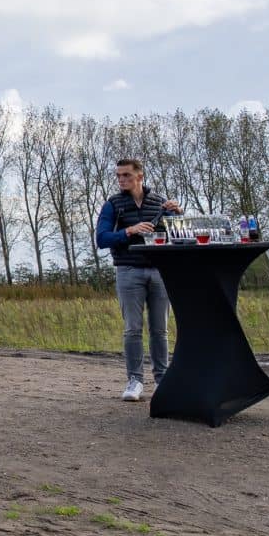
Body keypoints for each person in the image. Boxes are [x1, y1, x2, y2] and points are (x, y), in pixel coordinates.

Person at [95, 157, 181, 401]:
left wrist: (176, 215)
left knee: (160, 330)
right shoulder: (113, 204)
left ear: (140, 176)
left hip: (160, 271)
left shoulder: (159, 202)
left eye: (126, 175)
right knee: (133, 329)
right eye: (119, 176)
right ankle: (134, 381)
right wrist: (129, 231)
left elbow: (173, 234)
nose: (122, 180)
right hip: (128, 270)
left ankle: (163, 379)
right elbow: (101, 239)